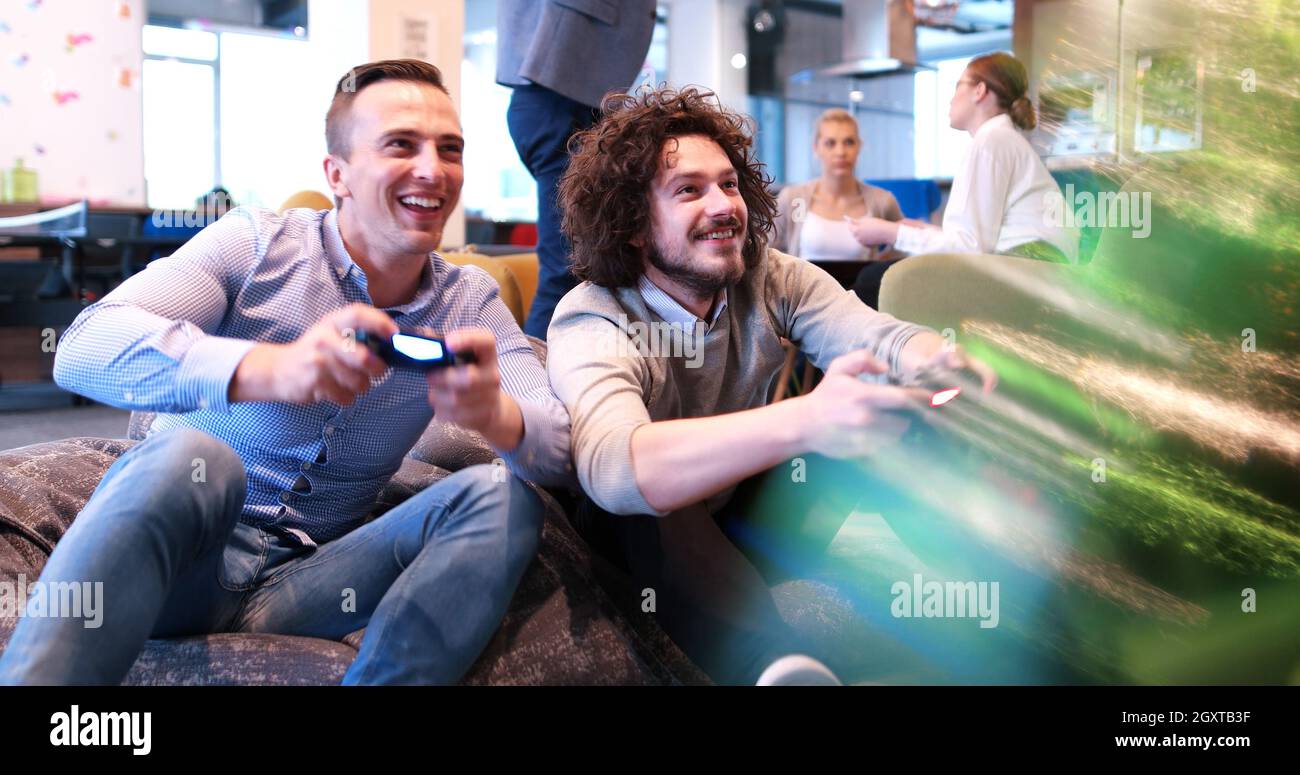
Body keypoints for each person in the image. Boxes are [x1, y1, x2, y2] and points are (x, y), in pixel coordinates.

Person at [0, 60, 574, 686]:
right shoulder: (254, 245)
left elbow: (559, 447)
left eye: (450, 150)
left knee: (503, 498)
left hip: (318, 579)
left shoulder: (470, 302)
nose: (433, 170)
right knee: (194, 454)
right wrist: (269, 367)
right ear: (338, 174)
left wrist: (498, 416)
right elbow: (84, 346)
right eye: (401, 145)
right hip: (189, 563)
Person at [547, 87, 996, 685]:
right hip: (640, 549)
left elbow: (870, 336)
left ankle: (991, 607)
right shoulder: (593, 314)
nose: (723, 205)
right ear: (631, 224)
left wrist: (935, 359)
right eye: (689, 190)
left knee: (900, 407)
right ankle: (777, 664)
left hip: (738, 512)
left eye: (728, 184)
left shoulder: (765, 273)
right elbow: (612, 467)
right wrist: (807, 419)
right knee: (660, 494)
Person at [848, 51, 1079, 309]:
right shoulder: (1003, 139)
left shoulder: (990, 142)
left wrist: (889, 232)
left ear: (979, 91)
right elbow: (977, 240)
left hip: (1024, 277)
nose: (951, 98)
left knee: (873, 282)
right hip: (1038, 274)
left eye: (958, 86)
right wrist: (925, 232)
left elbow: (969, 248)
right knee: (872, 281)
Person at [496, 0, 657, 339]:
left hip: (568, 98)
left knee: (591, 269)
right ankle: (531, 387)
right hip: (557, 98)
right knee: (569, 271)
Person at [772, 108, 903, 264]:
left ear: (859, 147)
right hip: (802, 288)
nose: (840, 152)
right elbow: (768, 252)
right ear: (816, 148)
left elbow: (905, 244)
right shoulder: (793, 198)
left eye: (849, 142)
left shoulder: (882, 201)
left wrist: (878, 268)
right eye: (830, 143)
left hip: (860, 289)